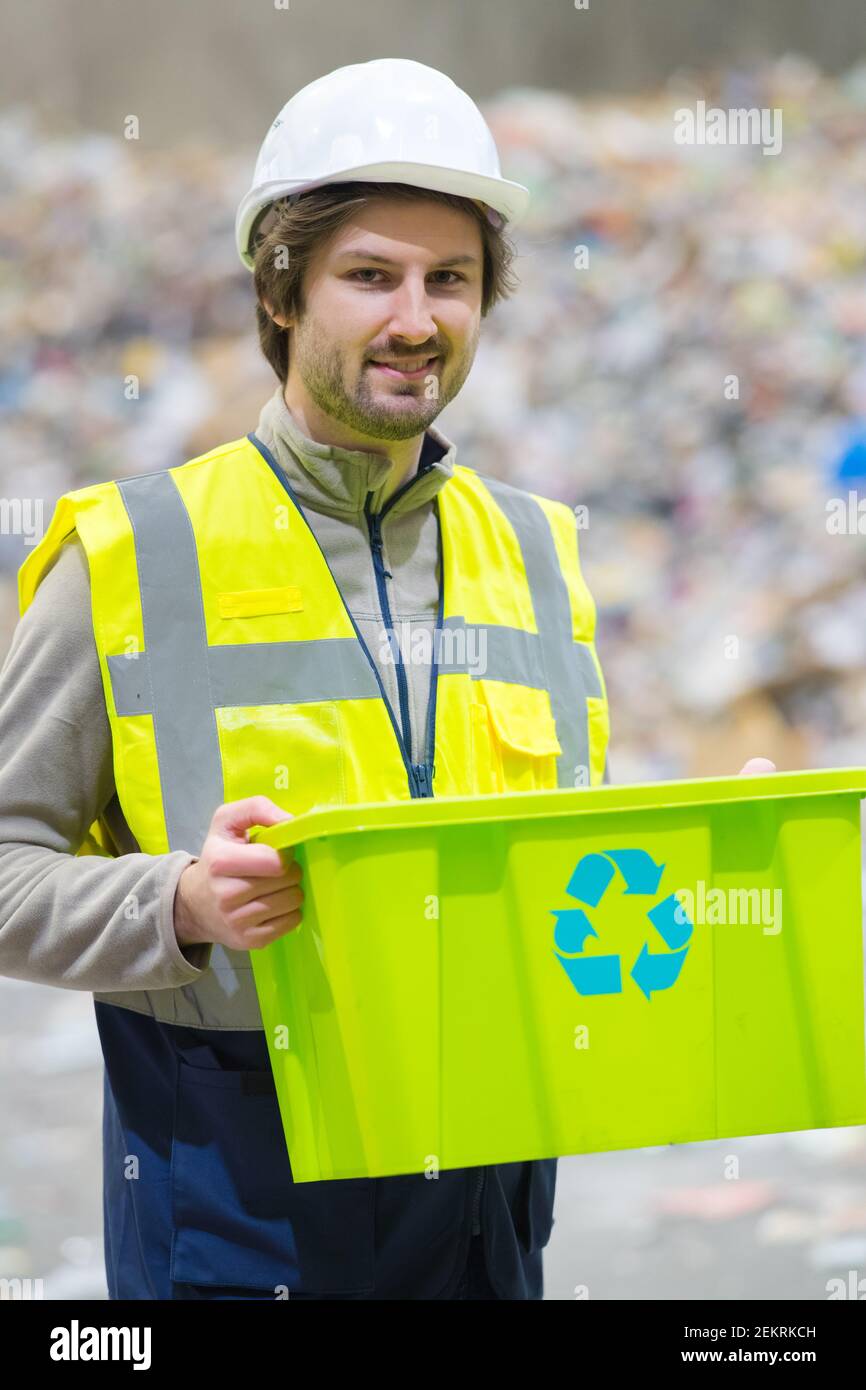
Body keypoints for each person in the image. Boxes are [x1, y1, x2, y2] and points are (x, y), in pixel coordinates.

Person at [0, 57, 770, 1301]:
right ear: (282, 288)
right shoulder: (131, 557)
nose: (416, 316)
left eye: (449, 279)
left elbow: (558, 891)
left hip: (488, 1214)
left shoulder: (534, 550)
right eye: (370, 274)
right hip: (239, 1205)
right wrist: (179, 904)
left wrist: (714, 864)